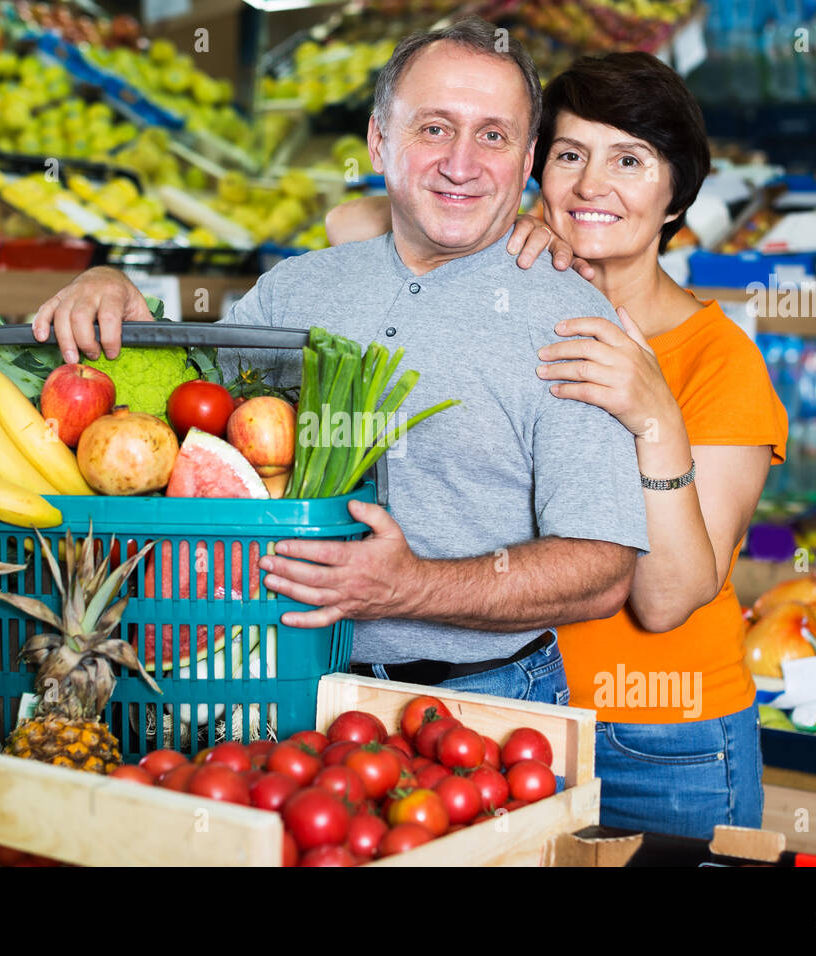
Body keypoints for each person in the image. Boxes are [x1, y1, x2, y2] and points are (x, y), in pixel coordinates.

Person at [30, 18, 650, 705]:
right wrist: (110, 285)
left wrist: (410, 587)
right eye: (434, 128)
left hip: (480, 703)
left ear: (528, 159)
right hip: (269, 682)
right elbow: (167, 423)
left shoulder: (570, 320)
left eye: (493, 136)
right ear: (380, 142)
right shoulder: (294, 288)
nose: (462, 163)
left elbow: (601, 568)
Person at [325, 52, 788, 838]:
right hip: (511, 715)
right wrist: (508, 226)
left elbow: (669, 598)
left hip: (662, 741)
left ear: (676, 193)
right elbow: (353, 217)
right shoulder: (515, 284)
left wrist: (656, 419)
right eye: (570, 155)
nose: (591, 186)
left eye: (630, 160)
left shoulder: (719, 361)